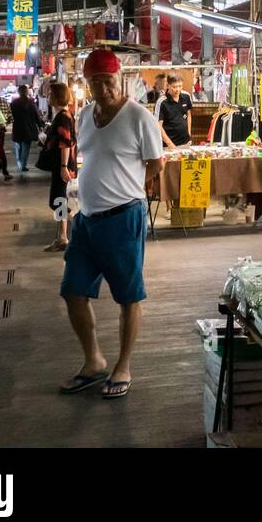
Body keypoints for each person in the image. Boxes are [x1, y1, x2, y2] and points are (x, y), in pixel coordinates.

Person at [59, 49, 165, 400]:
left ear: (121, 80)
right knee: (73, 290)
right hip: (86, 220)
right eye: (95, 83)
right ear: (86, 85)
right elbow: (88, 157)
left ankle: (123, 365)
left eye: (108, 82)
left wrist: (134, 186)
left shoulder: (139, 117)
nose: (103, 89)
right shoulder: (85, 116)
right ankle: (94, 362)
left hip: (123, 218)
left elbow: (156, 163)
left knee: (128, 296)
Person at [42, 82, 78, 253]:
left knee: (56, 201)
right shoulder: (64, 115)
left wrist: (64, 166)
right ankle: (62, 237)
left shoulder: (63, 116)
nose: (48, 96)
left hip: (62, 165)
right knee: (59, 200)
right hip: (61, 164)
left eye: (50, 94)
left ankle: (79, 225)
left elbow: (66, 143)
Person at [10, 85, 45, 174]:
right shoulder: (31, 103)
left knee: (18, 147)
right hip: (29, 128)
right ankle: (23, 164)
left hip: (17, 128)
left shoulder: (14, 103)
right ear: (26, 92)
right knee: (26, 147)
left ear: (18, 92)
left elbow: (11, 116)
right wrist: (40, 125)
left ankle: (19, 163)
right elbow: (37, 115)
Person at [154, 74, 193, 148]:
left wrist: (189, 132)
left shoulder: (186, 96)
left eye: (180, 86)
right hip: (168, 145)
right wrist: (170, 144)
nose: (177, 89)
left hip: (185, 142)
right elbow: (158, 125)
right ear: (168, 85)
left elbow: (188, 115)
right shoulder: (161, 102)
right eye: (174, 87)